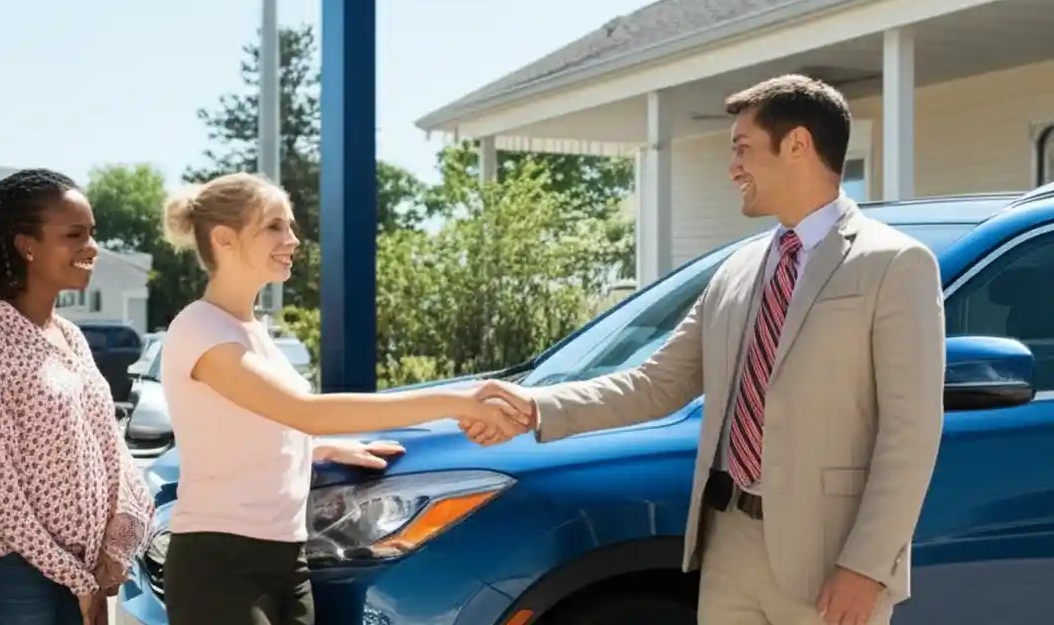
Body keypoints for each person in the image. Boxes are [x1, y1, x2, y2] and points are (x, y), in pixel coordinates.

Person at [467, 74, 946, 625]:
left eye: (743, 148)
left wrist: (866, 567)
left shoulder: (895, 264)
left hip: (829, 561)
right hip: (729, 546)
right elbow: (656, 383)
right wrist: (534, 406)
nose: (733, 168)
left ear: (796, 145)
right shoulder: (737, 269)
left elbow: (910, 432)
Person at [157, 172, 528, 624]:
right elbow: (304, 412)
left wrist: (318, 450)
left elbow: (261, 423)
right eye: (274, 226)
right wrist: (456, 401)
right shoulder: (200, 329)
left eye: (290, 225)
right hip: (219, 563)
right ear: (224, 239)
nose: (292, 239)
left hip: (286, 559)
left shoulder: (255, 333)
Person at [0, 168, 154, 625]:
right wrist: (74, 578)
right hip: (11, 572)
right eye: (74, 235)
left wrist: (113, 553)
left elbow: (111, 451)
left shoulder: (72, 338)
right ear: (28, 245)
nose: (91, 247)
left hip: (81, 569)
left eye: (92, 234)